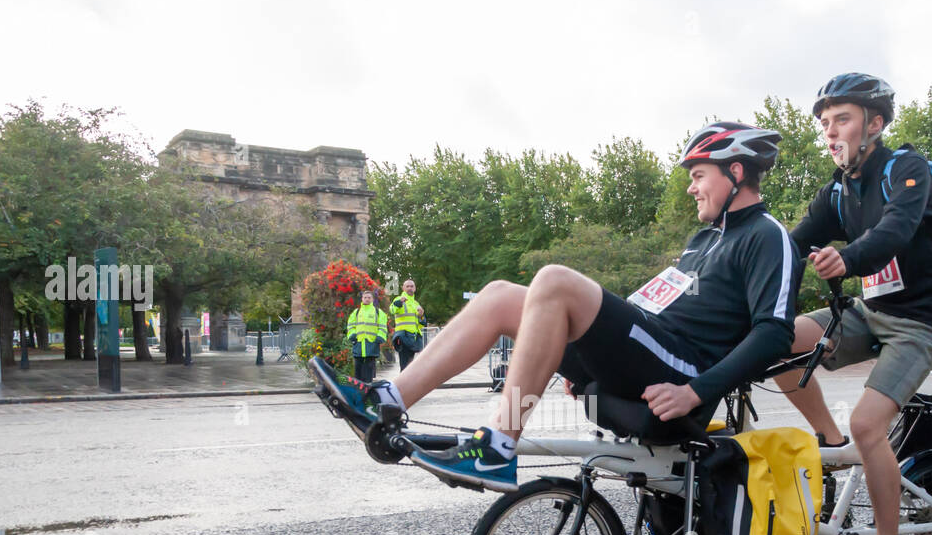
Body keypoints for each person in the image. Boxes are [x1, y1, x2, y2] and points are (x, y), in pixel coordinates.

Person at [319, 121, 801, 493]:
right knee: (502, 295)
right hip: (647, 349)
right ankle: (387, 400)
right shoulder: (703, 239)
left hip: (680, 371)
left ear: (736, 173)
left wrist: (695, 392)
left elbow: (774, 333)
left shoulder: (766, 236)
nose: (692, 188)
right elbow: (650, 306)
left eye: (699, 176)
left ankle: (497, 447)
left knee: (553, 280)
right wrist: (574, 347)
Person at [778, 73, 932, 535]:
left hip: (922, 322)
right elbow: (790, 248)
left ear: (874, 123)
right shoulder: (837, 192)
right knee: (778, 343)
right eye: (824, 123)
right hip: (870, 312)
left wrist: (850, 257)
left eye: (842, 119)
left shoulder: (903, 169)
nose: (831, 131)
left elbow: (896, 230)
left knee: (869, 423)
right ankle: (832, 448)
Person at [346, 290, 386, 382]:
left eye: (369, 298)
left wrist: (380, 337)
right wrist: (352, 335)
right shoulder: (356, 312)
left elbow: (382, 326)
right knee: (358, 372)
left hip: (371, 345)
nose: (367, 299)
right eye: (365, 297)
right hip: (358, 345)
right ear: (362, 299)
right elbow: (350, 325)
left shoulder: (378, 312)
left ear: (372, 299)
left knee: (369, 372)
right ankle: (358, 392)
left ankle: (367, 390)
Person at [389, 279, 426, 370]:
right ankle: (403, 383)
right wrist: (399, 303)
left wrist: (421, 317)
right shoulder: (398, 299)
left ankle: (408, 383)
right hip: (402, 336)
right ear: (403, 288)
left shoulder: (416, 303)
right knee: (405, 364)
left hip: (413, 336)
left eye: (412, 286)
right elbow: (392, 310)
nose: (410, 288)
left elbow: (420, 325)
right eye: (407, 286)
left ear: (415, 288)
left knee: (410, 364)